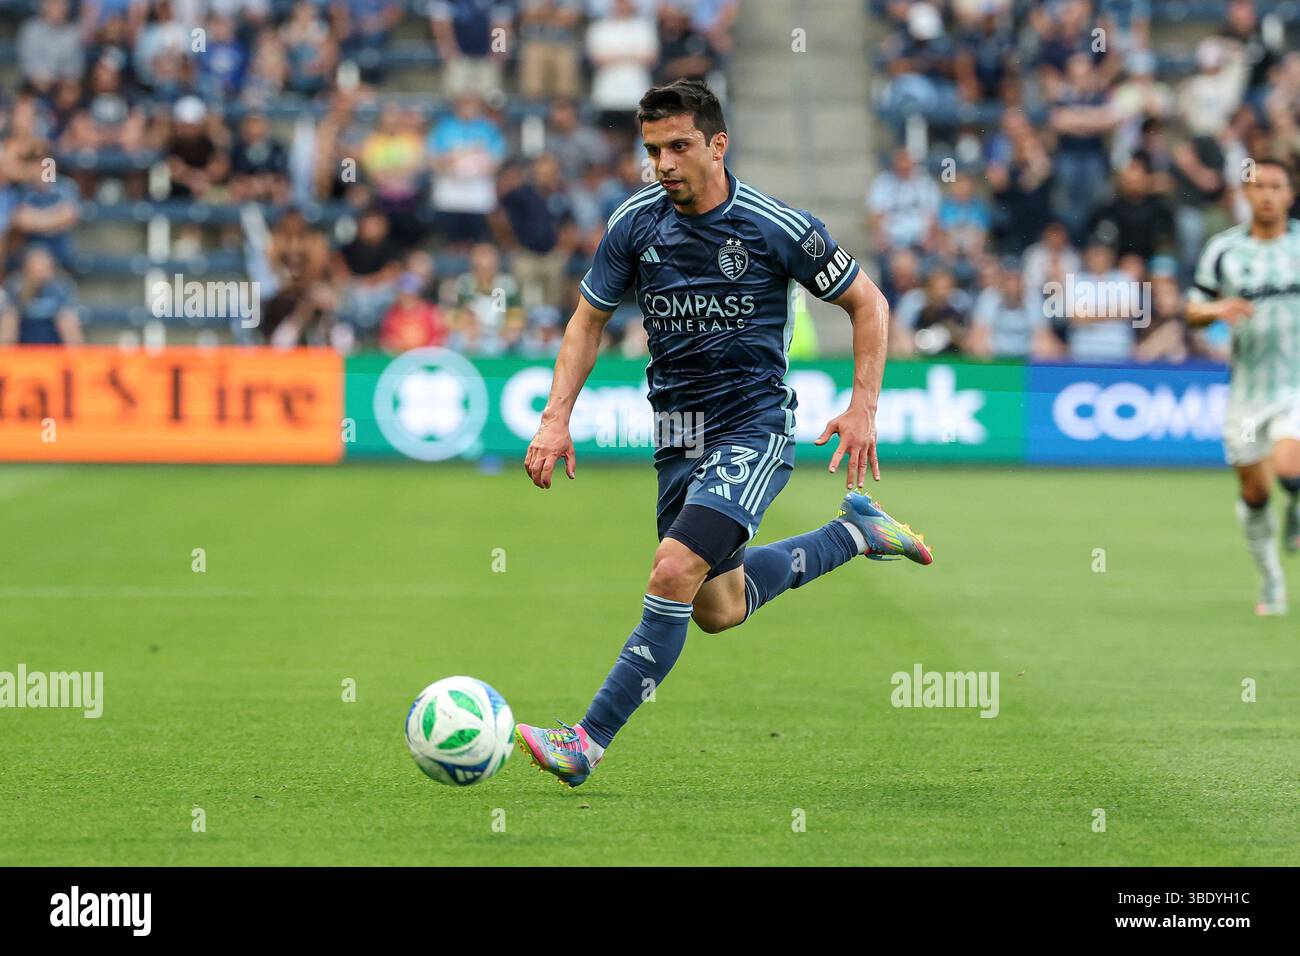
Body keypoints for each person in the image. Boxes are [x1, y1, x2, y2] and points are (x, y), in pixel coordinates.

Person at [514, 79, 932, 789]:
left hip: (752, 425)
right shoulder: (635, 225)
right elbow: (588, 321)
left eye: (679, 146)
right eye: (652, 150)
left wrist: (864, 409)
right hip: (676, 432)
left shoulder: (776, 227)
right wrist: (556, 416)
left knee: (673, 569)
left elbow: (869, 302)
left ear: (717, 144)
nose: (664, 163)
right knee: (717, 607)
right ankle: (855, 535)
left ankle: (587, 739)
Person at [1187, 159, 1300, 616]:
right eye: (1259, 187)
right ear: (1245, 194)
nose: (1267, 195)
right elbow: (1193, 306)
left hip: (1296, 384)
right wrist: (1216, 311)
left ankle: (1296, 500)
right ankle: (1272, 581)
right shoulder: (1223, 250)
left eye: (1277, 186)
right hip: (1248, 393)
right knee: (1255, 492)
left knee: (1290, 466)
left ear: (1290, 194)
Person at [0, 247, 83, 345]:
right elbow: (9, 323)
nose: (40, 274)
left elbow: (69, 323)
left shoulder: (61, 287)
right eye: (35, 269)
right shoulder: (14, 286)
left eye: (44, 268)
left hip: (53, 345)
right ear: (26, 269)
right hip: (23, 345)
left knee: (68, 319)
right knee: (8, 318)